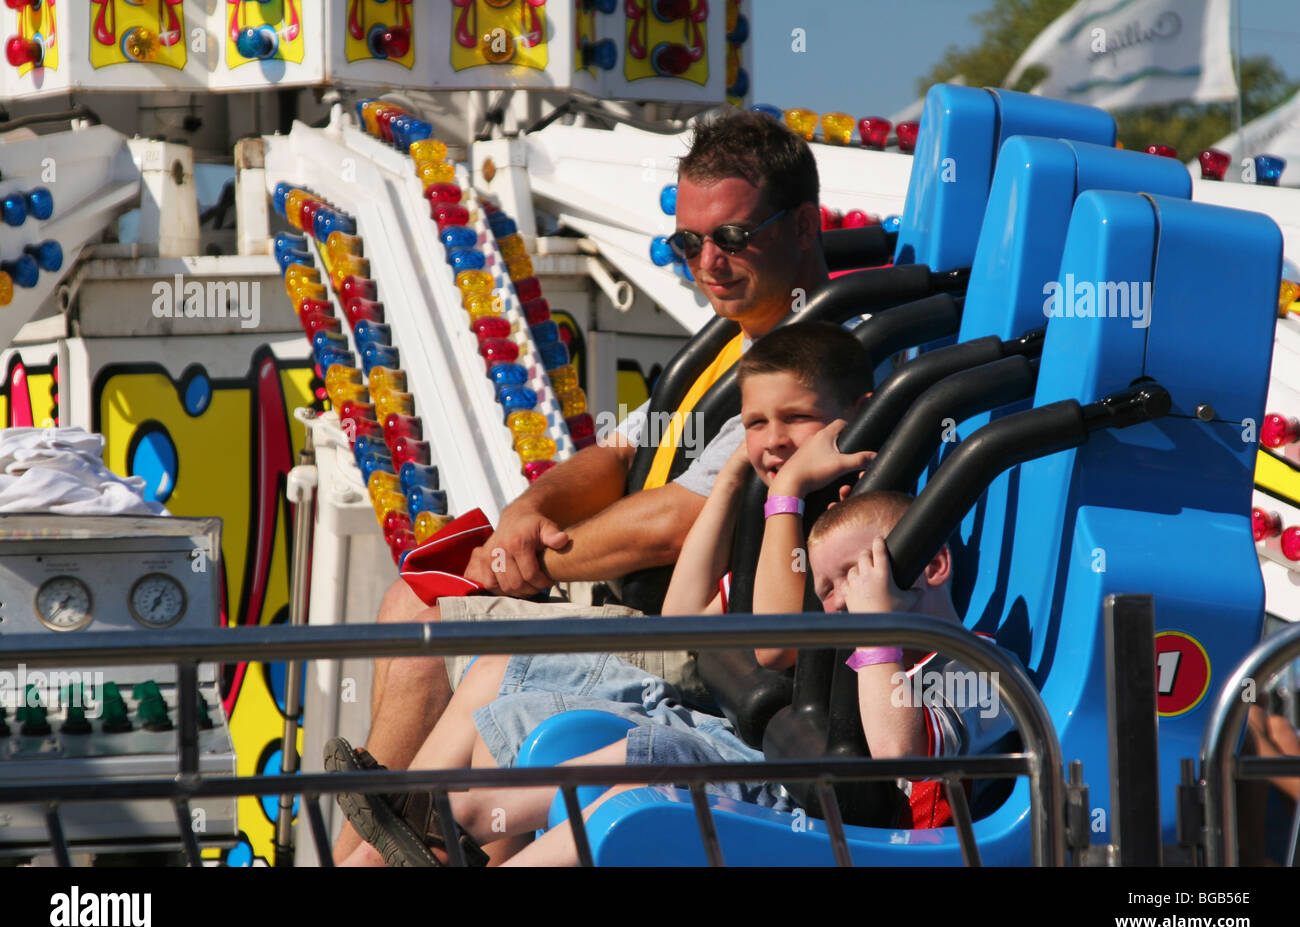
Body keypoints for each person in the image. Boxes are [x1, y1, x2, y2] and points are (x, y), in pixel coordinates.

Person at [336, 109, 830, 862]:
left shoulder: (801, 373)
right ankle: (393, 839)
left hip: (697, 641)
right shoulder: (724, 347)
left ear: (802, 227)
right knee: (433, 587)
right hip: (648, 608)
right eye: (687, 242)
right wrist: (524, 515)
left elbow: (675, 522)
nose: (708, 261)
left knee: (423, 609)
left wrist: (527, 563)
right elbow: (617, 453)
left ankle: (370, 852)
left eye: (732, 237)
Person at [327, 326, 918, 866]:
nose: (775, 440)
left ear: (857, 415)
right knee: (495, 676)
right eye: (755, 424)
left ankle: (424, 829)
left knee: (627, 772)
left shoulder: (846, 522)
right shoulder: (774, 516)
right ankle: (422, 822)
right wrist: (736, 476)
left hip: (767, 765)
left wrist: (785, 490)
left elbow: (772, 643)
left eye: (798, 418)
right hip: (729, 731)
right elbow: (681, 619)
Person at [330, 483, 999, 866]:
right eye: (825, 588)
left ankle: (447, 826)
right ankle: (442, 820)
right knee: (652, 723)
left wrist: (880, 635)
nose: (837, 602)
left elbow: (900, 751)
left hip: (868, 841)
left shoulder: (980, 668)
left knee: (671, 757)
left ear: (929, 568)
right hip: (793, 780)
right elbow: (699, 623)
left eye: (854, 577)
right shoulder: (856, 645)